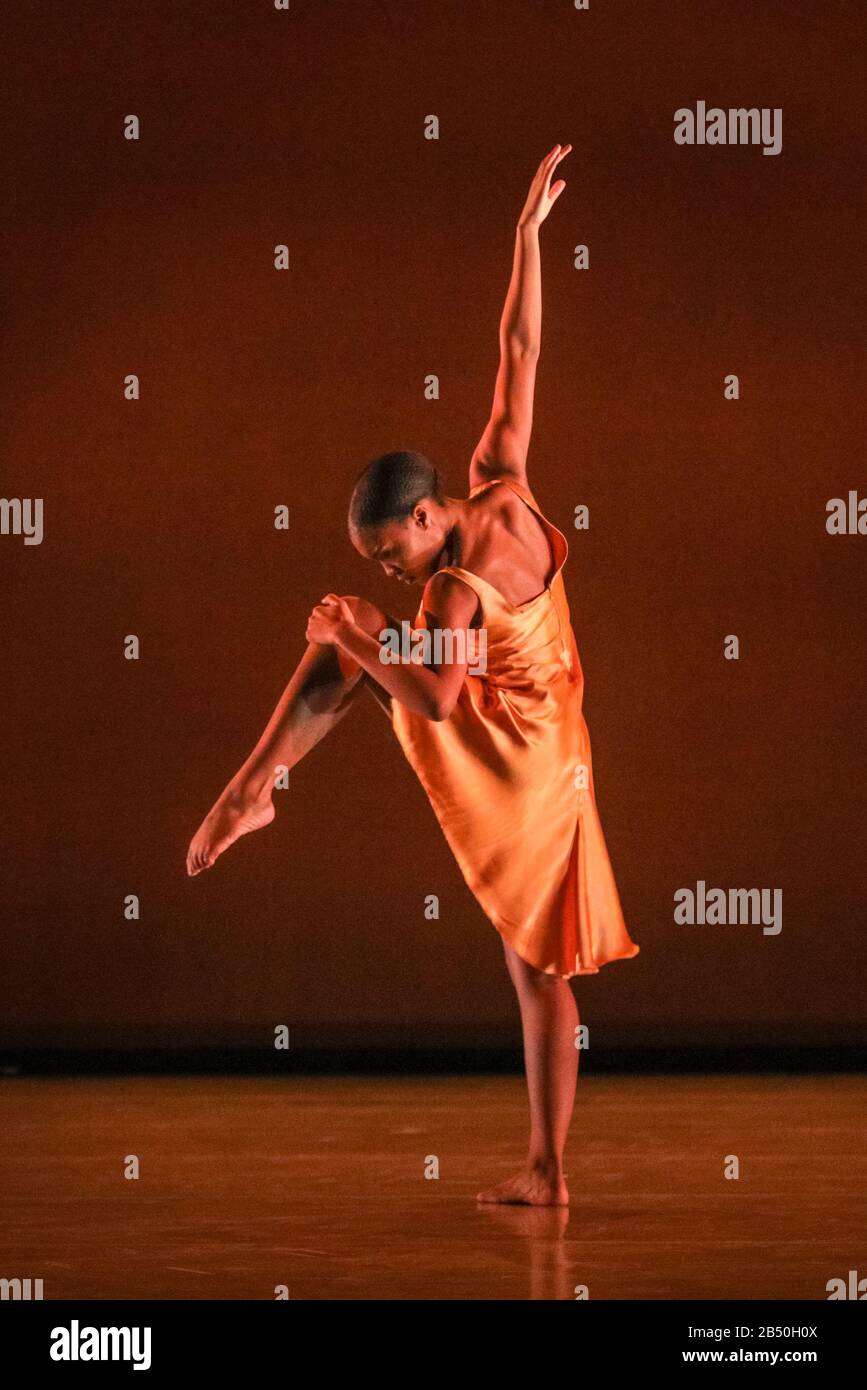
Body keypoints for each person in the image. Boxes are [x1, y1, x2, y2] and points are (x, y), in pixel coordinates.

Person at [186, 145, 639, 1205]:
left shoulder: (448, 591)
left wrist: (357, 628)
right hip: (558, 738)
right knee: (540, 966)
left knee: (348, 650)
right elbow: (520, 347)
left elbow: (436, 693)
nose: (392, 569)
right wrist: (527, 238)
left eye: (391, 551)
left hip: (518, 750)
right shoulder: (500, 475)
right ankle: (547, 1172)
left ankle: (251, 791)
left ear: (427, 520)